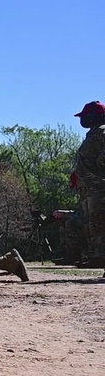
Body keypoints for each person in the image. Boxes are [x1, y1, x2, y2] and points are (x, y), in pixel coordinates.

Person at [73, 101, 105, 270]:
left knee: (98, 221)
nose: (83, 120)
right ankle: (96, 255)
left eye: (85, 116)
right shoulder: (94, 133)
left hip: (98, 186)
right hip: (89, 187)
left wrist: (97, 166)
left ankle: (101, 255)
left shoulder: (102, 131)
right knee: (91, 222)